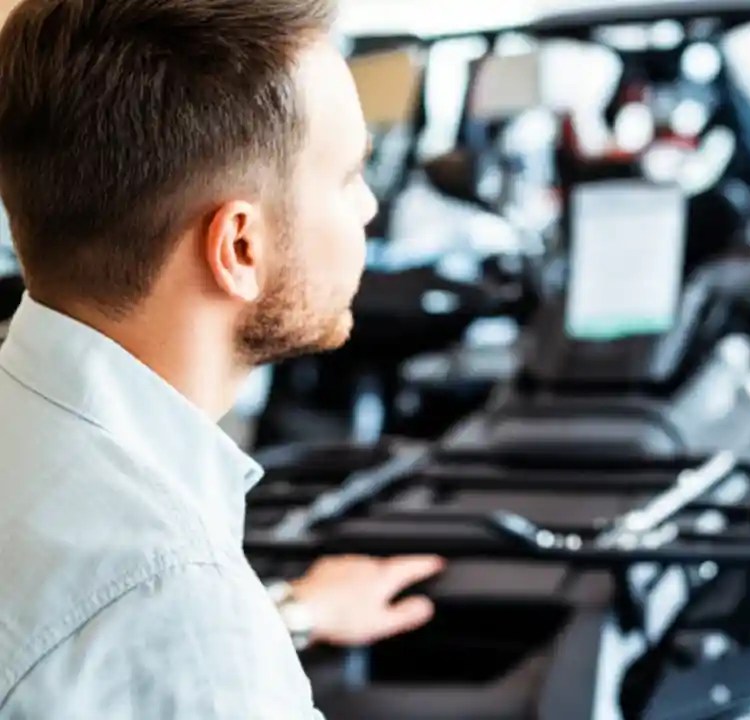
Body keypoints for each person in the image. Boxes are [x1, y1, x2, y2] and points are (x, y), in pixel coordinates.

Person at [0, 0, 445, 716]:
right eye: (346, 177)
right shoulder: (180, 606)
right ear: (239, 246)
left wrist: (288, 614)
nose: (367, 209)